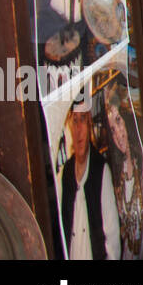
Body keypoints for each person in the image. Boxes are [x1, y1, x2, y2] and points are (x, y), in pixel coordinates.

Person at [58, 95, 120, 260]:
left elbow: (112, 232)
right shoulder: (67, 172)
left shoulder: (100, 170)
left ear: (89, 123)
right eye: (75, 120)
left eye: (83, 120)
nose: (78, 129)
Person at [102, 80, 143, 258]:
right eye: (112, 129)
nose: (118, 134)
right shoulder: (118, 174)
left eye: (118, 121)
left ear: (127, 119)